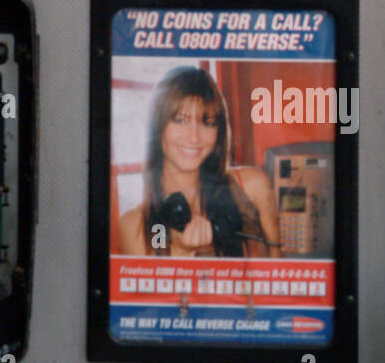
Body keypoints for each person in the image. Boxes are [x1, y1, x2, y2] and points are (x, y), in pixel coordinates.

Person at [118, 66, 281, 258]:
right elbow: (157, 284)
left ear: (218, 132)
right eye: (180, 120)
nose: (194, 138)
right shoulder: (137, 226)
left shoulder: (252, 187)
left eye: (208, 123)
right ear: (158, 127)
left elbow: (277, 271)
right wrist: (182, 253)